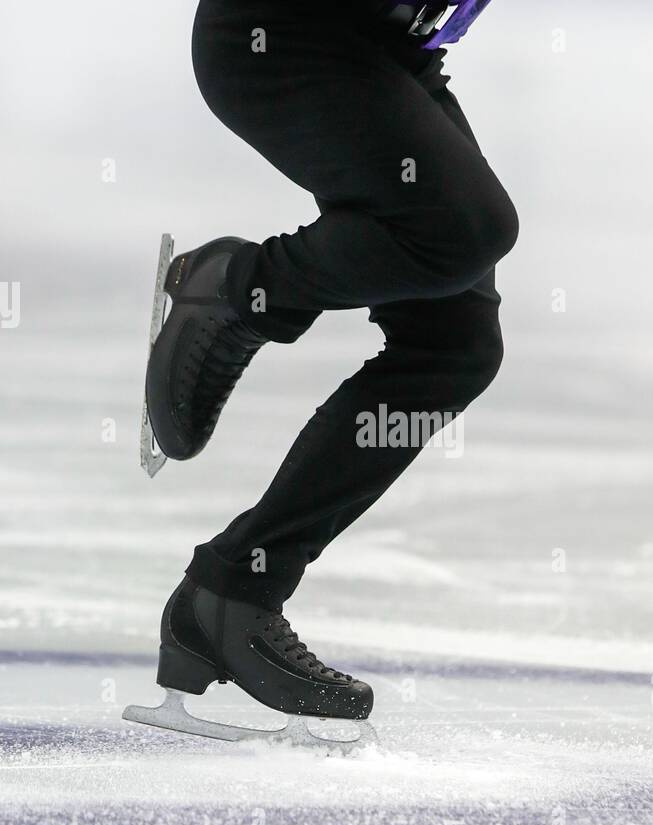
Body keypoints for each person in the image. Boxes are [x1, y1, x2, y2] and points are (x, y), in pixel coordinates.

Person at [133, 0, 515, 738]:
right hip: (283, 37)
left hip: (386, 49)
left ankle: (232, 593)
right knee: (462, 233)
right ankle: (236, 288)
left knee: (452, 343)